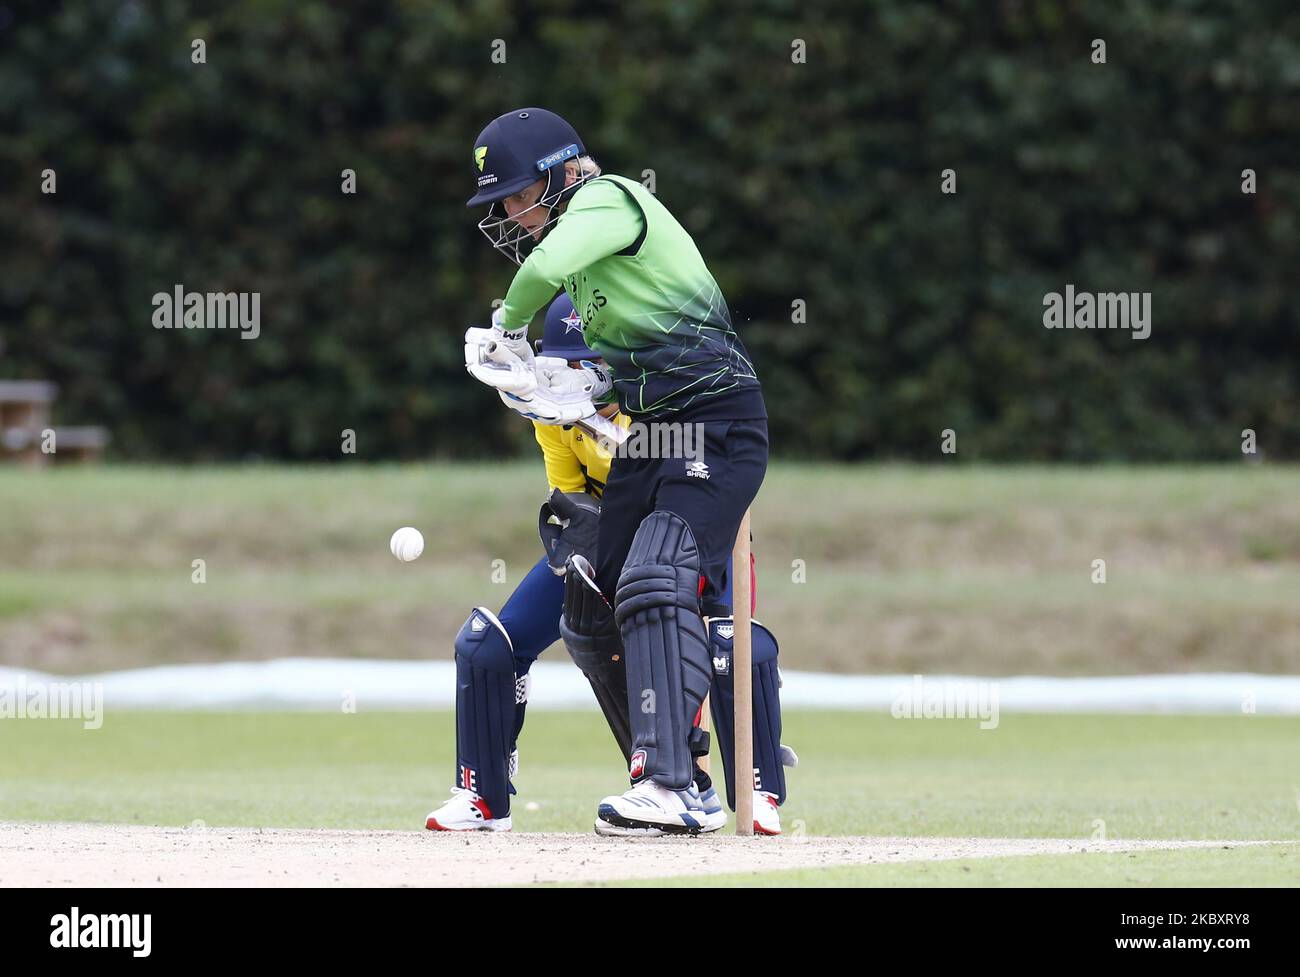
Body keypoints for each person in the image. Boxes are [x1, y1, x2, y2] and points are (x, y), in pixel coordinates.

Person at [463, 108, 774, 835]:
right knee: (593, 598)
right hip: (654, 432)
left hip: (716, 421)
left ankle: (669, 788)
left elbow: (538, 269)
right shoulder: (591, 269)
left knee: (657, 574)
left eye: (517, 193)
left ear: (563, 171)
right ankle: (679, 777)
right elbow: (623, 367)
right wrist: (577, 389)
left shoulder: (611, 201)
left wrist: (507, 327)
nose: (511, 211)